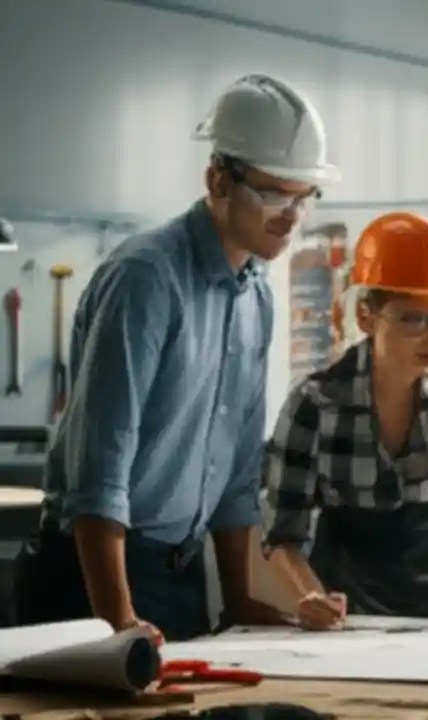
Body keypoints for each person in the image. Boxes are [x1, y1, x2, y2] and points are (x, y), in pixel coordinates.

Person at [12, 73, 340, 642]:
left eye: (303, 197)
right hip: (90, 578)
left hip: (181, 577)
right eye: (272, 193)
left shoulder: (256, 293)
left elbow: (237, 470)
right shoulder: (146, 280)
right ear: (217, 179)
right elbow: (101, 475)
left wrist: (238, 602)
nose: (290, 216)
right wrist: (119, 625)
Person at [261, 212, 428, 629]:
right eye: (412, 319)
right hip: (351, 608)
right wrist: (311, 597)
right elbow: (282, 531)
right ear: (366, 317)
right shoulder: (317, 402)